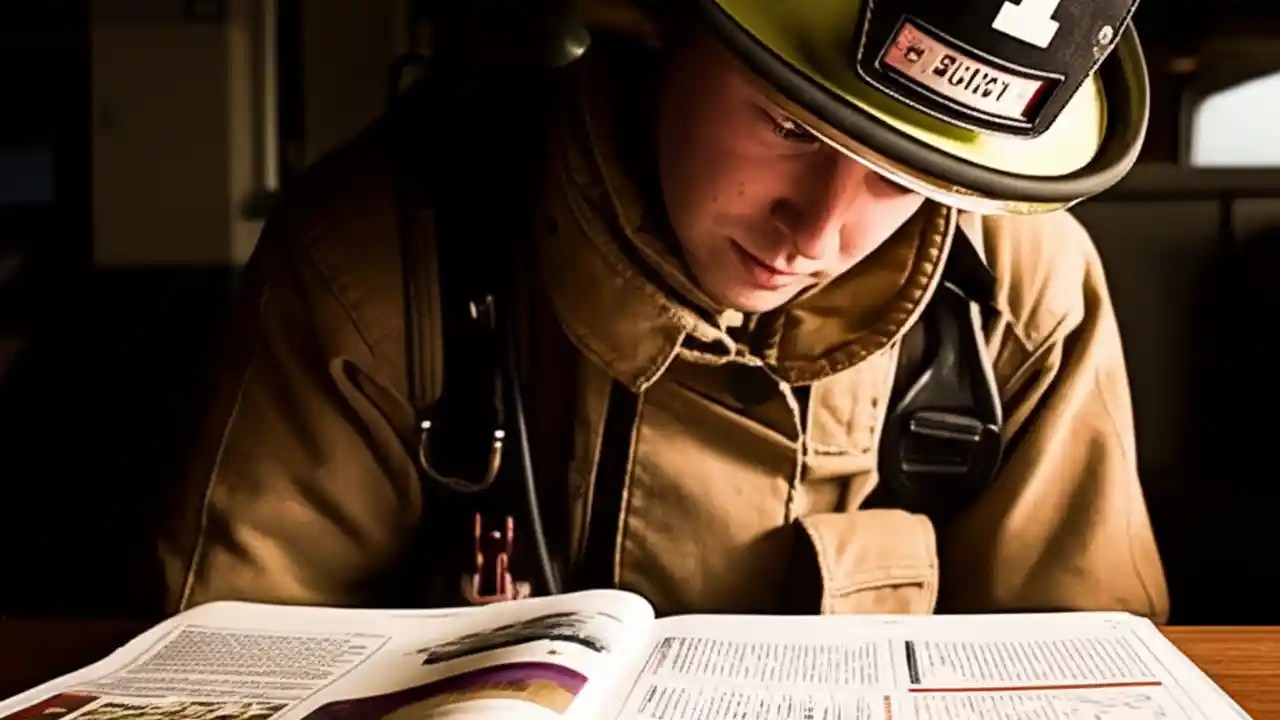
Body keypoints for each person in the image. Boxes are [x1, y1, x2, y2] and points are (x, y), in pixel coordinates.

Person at [156, 0, 1170, 622]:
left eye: (902, 175)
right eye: (787, 124)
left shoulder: (1022, 296)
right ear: (657, 32)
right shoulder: (382, 256)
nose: (817, 232)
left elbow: (1081, 666)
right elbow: (239, 659)